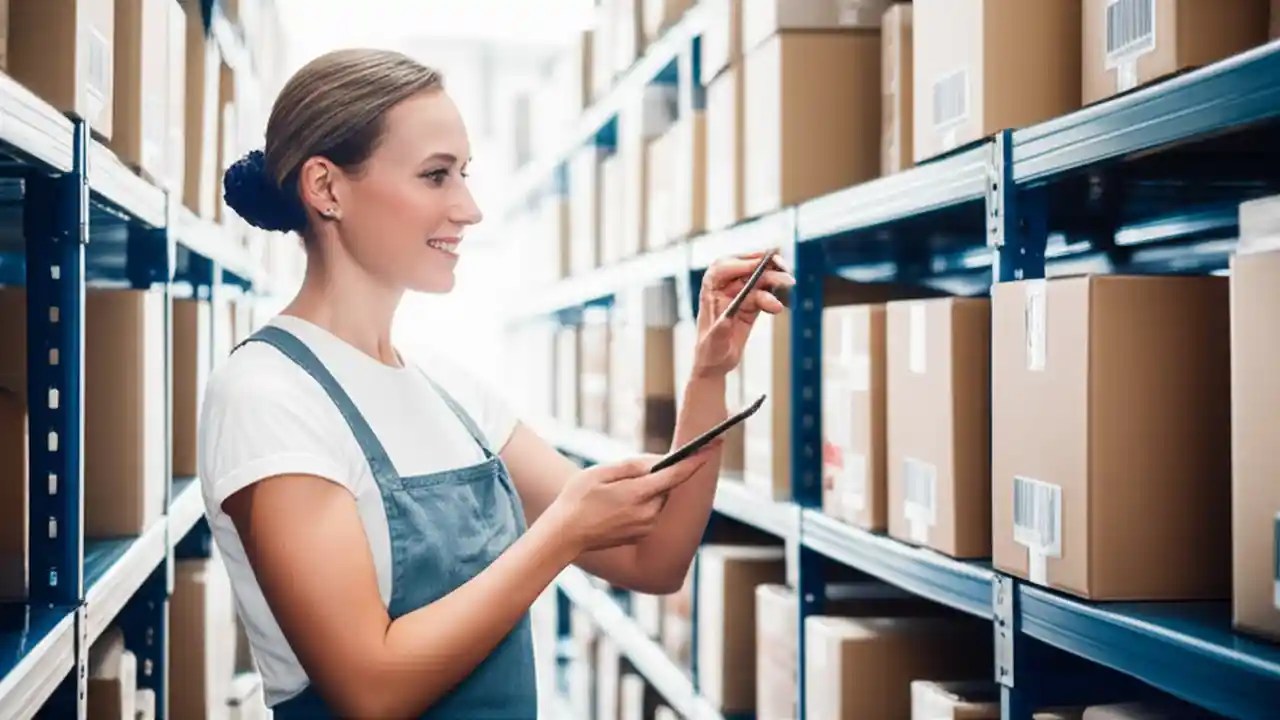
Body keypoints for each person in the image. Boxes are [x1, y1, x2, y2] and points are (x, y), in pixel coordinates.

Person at [204, 48, 793, 719]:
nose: (470, 208)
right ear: (327, 188)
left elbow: (651, 558)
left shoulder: (453, 395)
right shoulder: (268, 396)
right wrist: (559, 535)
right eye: (436, 176)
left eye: (464, 174)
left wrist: (707, 373)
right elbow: (370, 687)